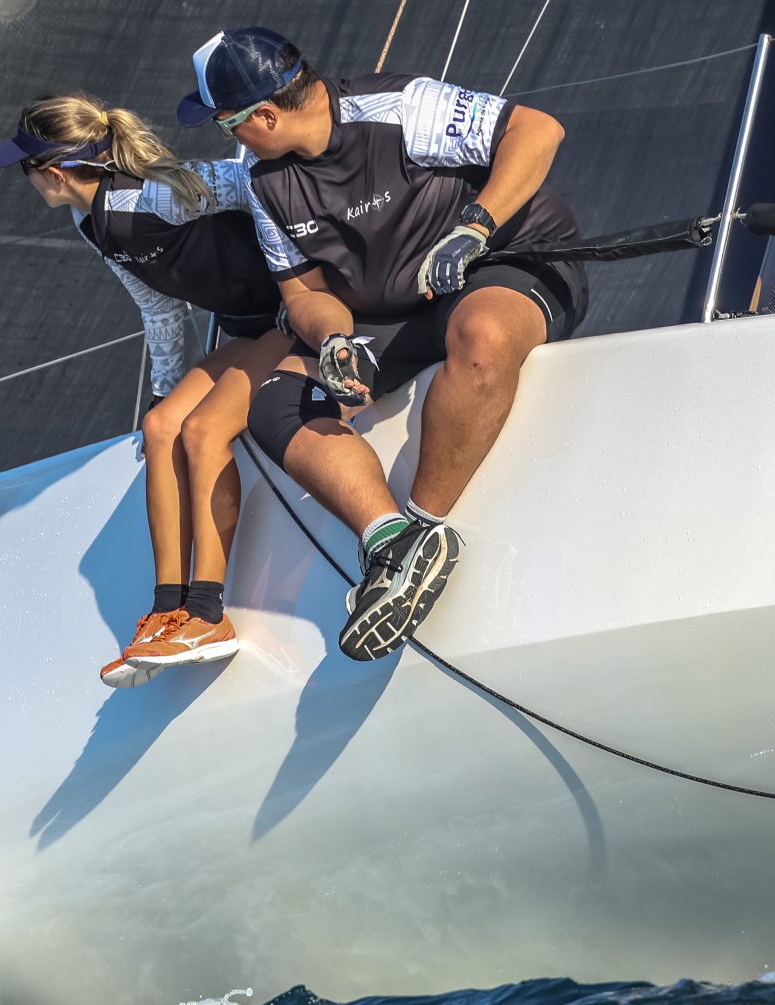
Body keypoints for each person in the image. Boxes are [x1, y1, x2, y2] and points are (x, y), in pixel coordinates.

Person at [175, 28, 588, 661]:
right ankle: (392, 543)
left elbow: (538, 130)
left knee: (482, 336)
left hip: (506, 260)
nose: (229, 139)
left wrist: (474, 228)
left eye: (225, 124)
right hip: (400, 310)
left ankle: (427, 527)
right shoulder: (263, 184)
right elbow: (304, 292)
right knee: (276, 400)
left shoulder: (399, 107)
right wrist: (334, 339)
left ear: (264, 116)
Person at [0, 94, 293, 686]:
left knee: (203, 430)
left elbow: (256, 183)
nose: (26, 179)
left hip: (294, 317)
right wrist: (164, 389)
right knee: (161, 427)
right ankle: (166, 613)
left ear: (52, 172)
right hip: (251, 329)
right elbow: (159, 308)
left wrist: (297, 278)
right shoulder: (90, 223)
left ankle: (207, 614)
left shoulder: (154, 195)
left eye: (26, 167)